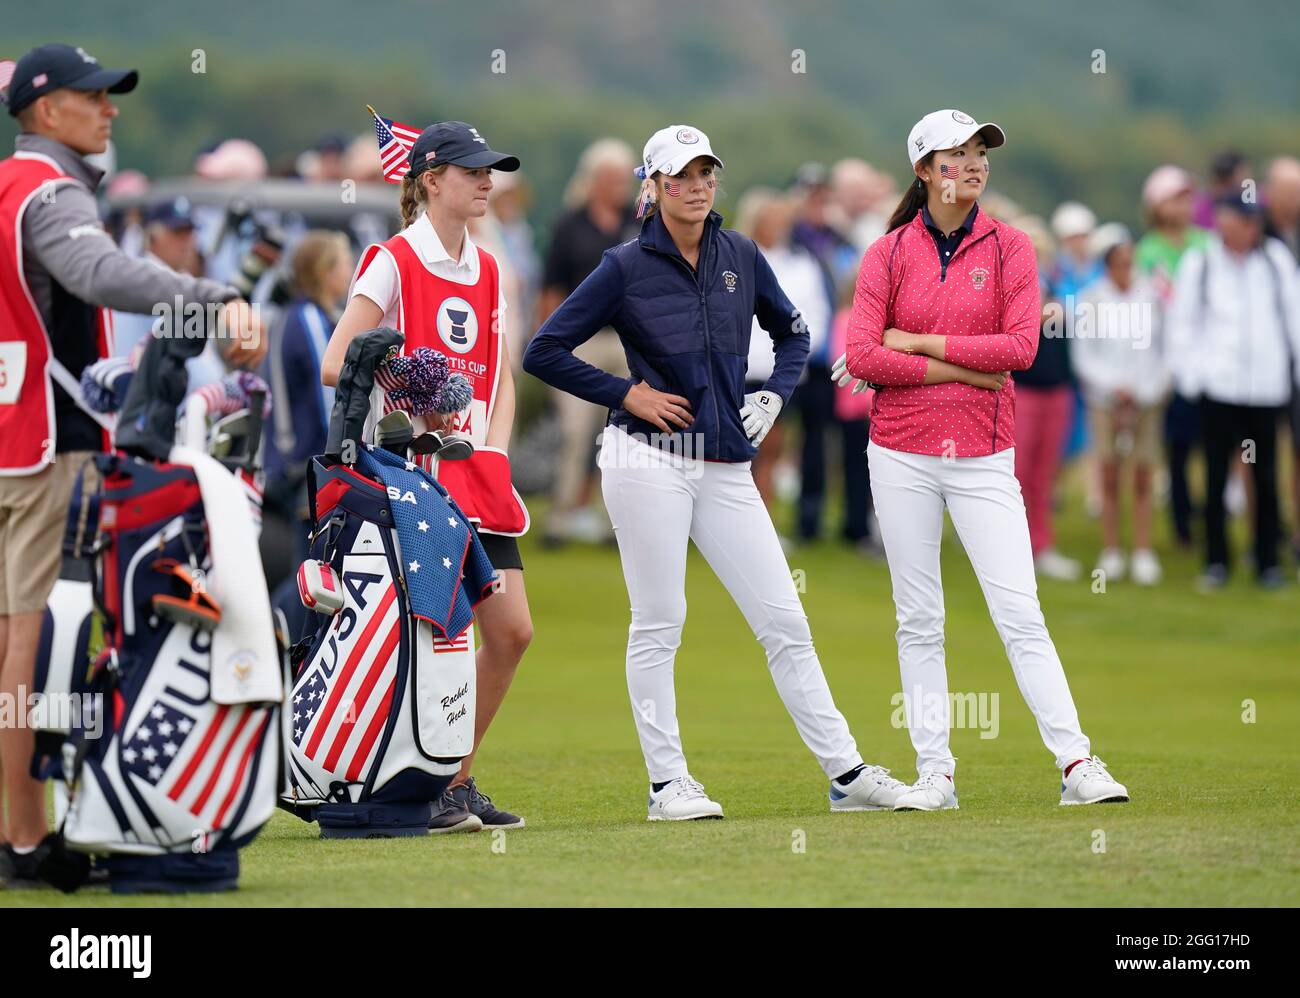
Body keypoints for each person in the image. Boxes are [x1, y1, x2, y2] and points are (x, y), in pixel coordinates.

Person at [524, 124, 908, 820]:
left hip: (726, 461)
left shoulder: (740, 253)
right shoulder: (622, 265)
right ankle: (667, 785)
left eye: (706, 173)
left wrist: (774, 393)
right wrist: (625, 392)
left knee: (785, 620)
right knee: (660, 619)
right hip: (645, 458)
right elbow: (544, 348)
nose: (697, 186)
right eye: (682, 176)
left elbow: (793, 333)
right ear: (656, 186)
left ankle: (846, 774)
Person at [0, 43, 262, 887]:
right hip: (48, 442)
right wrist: (212, 296)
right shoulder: (50, 188)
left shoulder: (9, 187)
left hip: (13, 435)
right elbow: (99, 272)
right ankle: (27, 838)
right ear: (46, 110)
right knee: (30, 643)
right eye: (93, 97)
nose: (110, 110)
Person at [835, 109, 1130, 810]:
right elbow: (863, 355)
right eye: (955, 155)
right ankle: (935, 772)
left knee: (1018, 610)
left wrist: (919, 343)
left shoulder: (1012, 248)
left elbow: (1019, 350)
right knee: (918, 617)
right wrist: (958, 369)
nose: (972, 165)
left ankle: (1076, 762)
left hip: (982, 454)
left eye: (978, 153)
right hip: (899, 452)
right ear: (924, 170)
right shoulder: (887, 253)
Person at [320, 120, 531, 832]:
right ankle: (421, 787)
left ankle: (455, 781)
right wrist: (408, 381)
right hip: (408, 477)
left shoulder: (493, 267)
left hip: (476, 475)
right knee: (437, 638)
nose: (485, 181)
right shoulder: (390, 259)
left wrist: (493, 452)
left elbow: (499, 376)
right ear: (430, 180)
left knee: (511, 632)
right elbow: (335, 360)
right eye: (472, 170)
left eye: (489, 170)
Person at [1165, 192, 1300, 590]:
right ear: (1224, 221)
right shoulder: (1202, 262)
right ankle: (1216, 560)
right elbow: (1182, 323)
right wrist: (1190, 376)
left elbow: (1293, 318)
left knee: (1266, 477)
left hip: (1265, 387)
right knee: (1216, 474)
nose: (1249, 228)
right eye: (1242, 220)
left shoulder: (1275, 260)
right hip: (1218, 386)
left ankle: (1266, 560)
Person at [535, 138, 637, 546]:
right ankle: (561, 517)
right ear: (593, 181)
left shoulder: (639, 222)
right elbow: (551, 288)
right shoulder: (570, 224)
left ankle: (614, 518)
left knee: (625, 434)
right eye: (611, 178)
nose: (619, 187)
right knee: (576, 433)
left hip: (630, 342)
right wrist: (548, 342)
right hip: (581, 342)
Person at [1073, 223, 1167, 585]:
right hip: (1105, 400)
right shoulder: (1091, 299)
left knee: (1143, 475)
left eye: (1131, 262)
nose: (1127, 269)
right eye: (1120, 262)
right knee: (1110, 474)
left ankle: (1143, 550)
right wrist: (1115, 388)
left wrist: (1146, 388)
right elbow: (1085, 356)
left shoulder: (1151, 297)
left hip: (1147, 398)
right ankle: (1111, 549)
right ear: (1108, 265)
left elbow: (1163, 349)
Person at [264, 230, 353, 589]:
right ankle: (288, 636)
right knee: (314, 573)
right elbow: (328, 395)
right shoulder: (309, 319)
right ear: (324, 271)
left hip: (297, 462)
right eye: (344, 261)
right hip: (307, 464)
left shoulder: (298, 314)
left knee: (313, 567)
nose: (350, 269)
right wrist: (344, 456)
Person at [733, 187, 828, 508]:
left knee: (770, 449)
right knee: (733, 451)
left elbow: (815, 317)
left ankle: (764, 523)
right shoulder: (735, 260)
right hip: (738, 370)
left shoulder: (802, 265)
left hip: (782, 375)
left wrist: (797, 354)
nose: (778, 226)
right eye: (770, 219)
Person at [1136, 164, 1211, 550]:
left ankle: (1212, 519)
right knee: (1178, 448)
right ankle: (1183, 524)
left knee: (1216, 446)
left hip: (1211, 361)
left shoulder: (1207, 243)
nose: (1184, 206)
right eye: (1175, 198)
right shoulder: (1147, 251)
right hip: (1165, 364)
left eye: (1187, 198)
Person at [110, 196, 227, 388]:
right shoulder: (148, 280)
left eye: (190, 231)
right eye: (178, 232)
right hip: (145, 403)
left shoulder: (173, 280)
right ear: (153, 238)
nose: (187, 241)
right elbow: (193, 362)